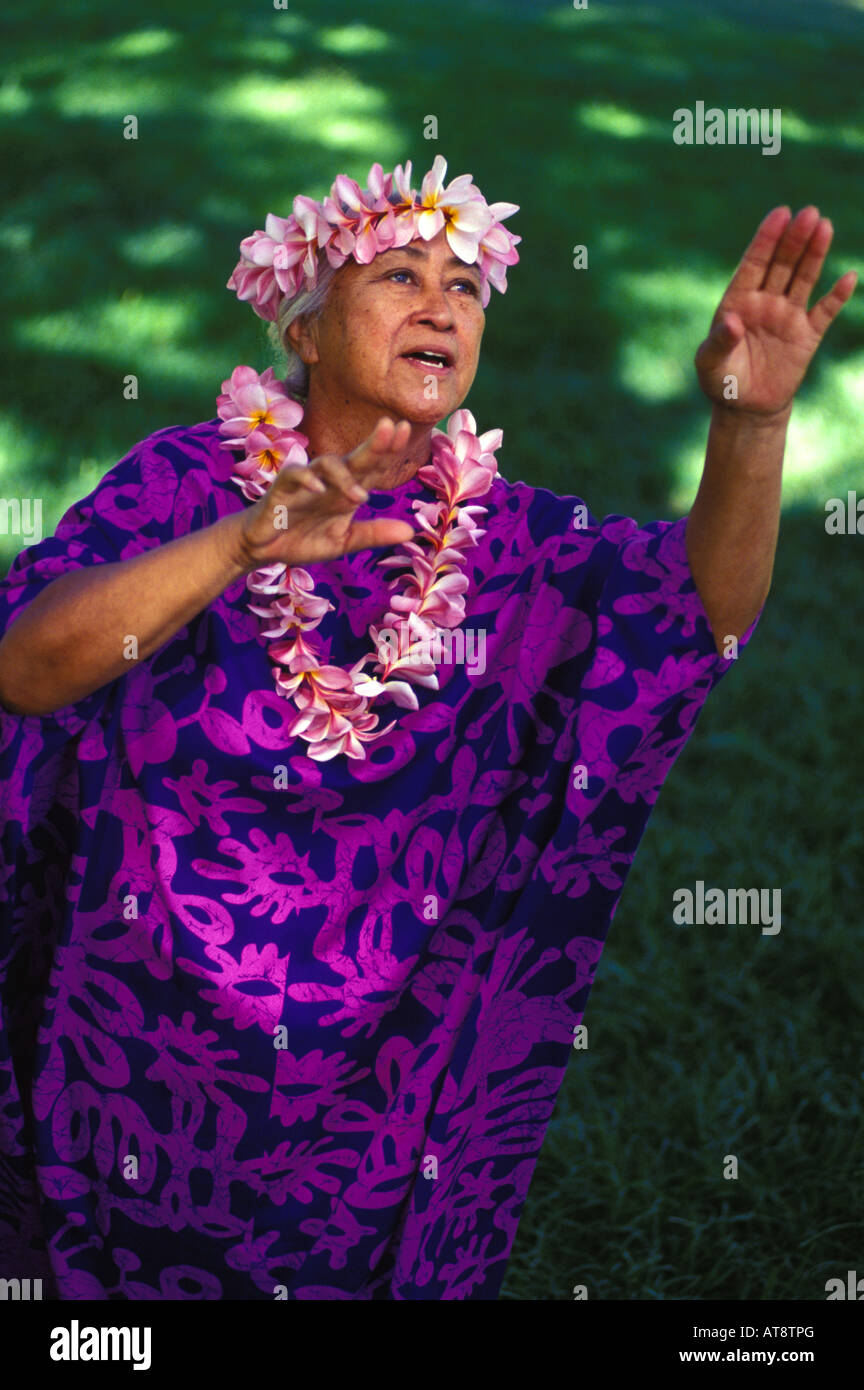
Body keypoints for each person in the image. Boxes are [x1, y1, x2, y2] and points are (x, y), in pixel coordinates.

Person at [0, 156, 854, 1300]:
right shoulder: (182, 483)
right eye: (399, 272)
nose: (442, 302)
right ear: (304, 331)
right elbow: (25, 669)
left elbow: (702, 615)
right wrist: (240, 546)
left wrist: (752, 423)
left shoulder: (511, 540)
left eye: (466, 285)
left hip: (384, 1089)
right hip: (136, 1051)